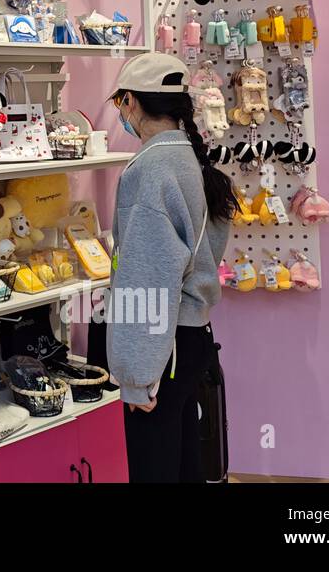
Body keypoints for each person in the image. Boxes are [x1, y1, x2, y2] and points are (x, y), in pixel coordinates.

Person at [107, 52, 236, 482]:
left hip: (163, 347)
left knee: (155, 470)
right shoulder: (189, 159)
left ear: (130, 102)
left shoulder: (149, 169)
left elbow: (145, 280)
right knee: (185, 467)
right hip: (191, 337)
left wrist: (137, 375)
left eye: (118, 104)